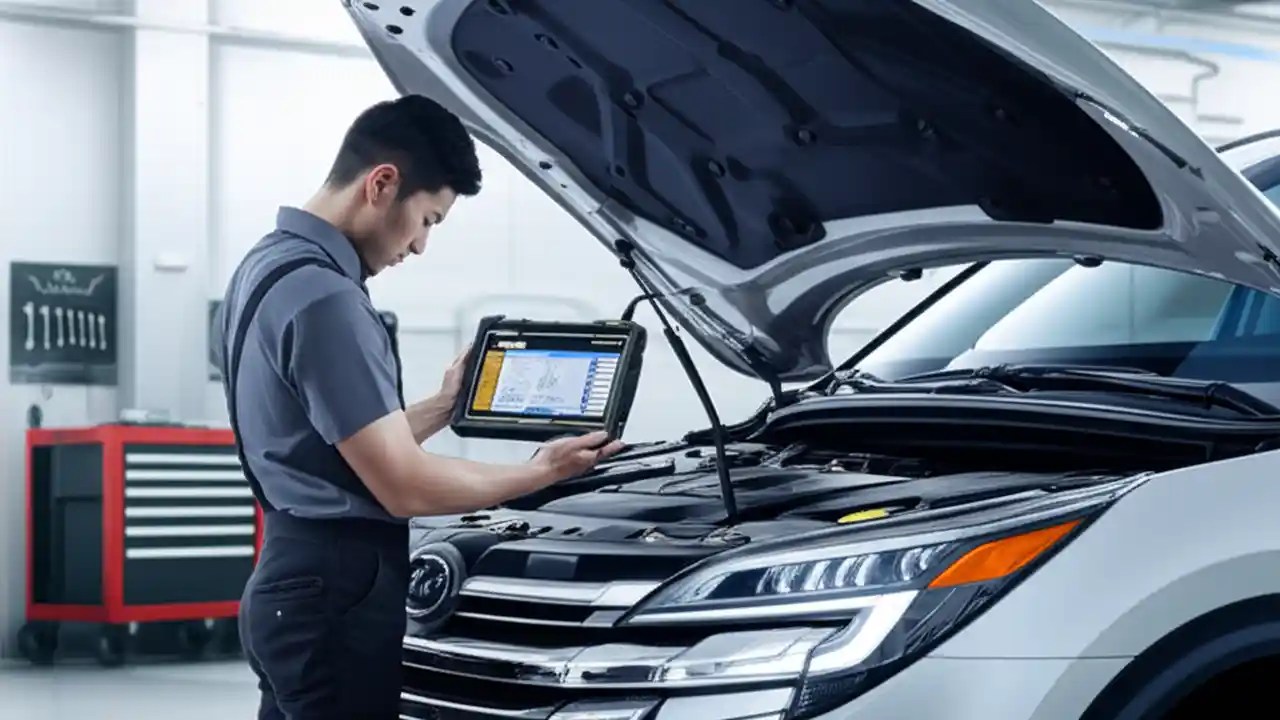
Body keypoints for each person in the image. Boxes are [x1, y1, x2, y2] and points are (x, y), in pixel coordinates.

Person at [211, 94, 625, 719]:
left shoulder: (267, 267)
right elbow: (402, 485)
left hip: (289, 578)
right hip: (337, 589)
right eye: (429, 219)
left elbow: (342, 450)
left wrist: (443, 405)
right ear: (382, 183)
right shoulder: (328, 299)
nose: (421, 245)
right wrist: (541, 473)